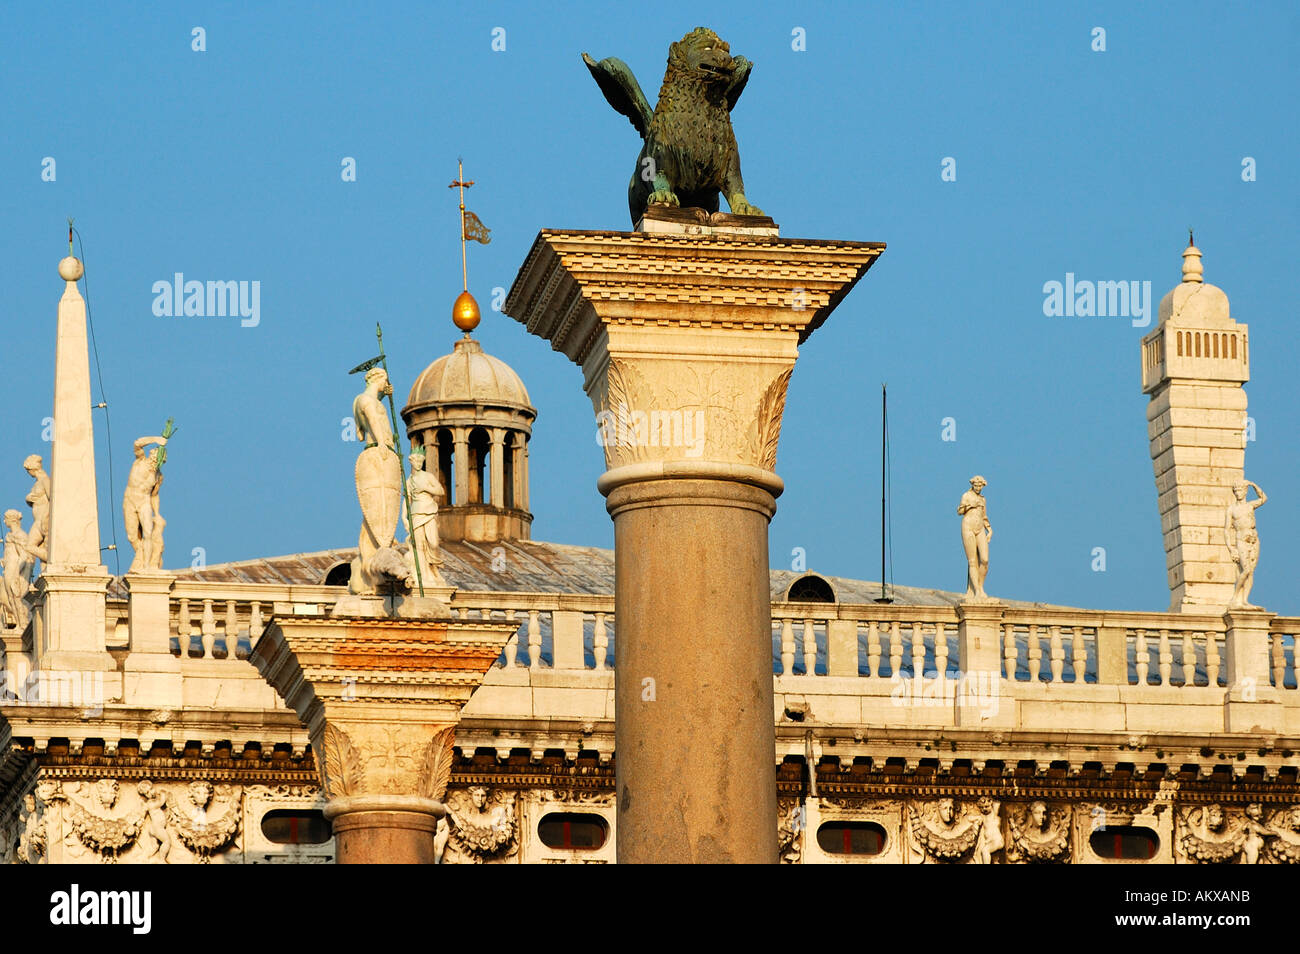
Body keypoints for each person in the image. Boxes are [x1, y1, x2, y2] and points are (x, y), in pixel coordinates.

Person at [123, 436, 168, 571]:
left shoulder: (158, 476)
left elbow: (154, 495)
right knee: (132, 536)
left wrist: (157, 513)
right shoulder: (140, 460)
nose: (157, 460)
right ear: (152, 455)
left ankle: (147, 566)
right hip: (130, 500)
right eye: (156, 457)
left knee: (148, 533)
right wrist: (156, 439)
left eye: (160, 460)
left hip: (144, 502)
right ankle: (141, 556)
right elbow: (137, 444)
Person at [1225, 479, 1266, 608]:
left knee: (1251, 571)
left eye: (1240, 491)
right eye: (1236, 491)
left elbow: (1264, 498)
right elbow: (1226, 530)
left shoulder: (1250, 505)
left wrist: (1253, 484)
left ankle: (1245, 600)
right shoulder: (1231, 510)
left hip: (1253, 539)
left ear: (1245, 492)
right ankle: (1236, 598)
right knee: (1246, 569)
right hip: (1241, 539)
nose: (1238, 493)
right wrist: (1231, 549)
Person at [958, 476, 992, 600]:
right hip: (968, 526)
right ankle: (977, 590)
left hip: (980, 527)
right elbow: (960, 511)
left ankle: (980, 586)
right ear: (972, 485)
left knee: (984, 560)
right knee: (972, 561)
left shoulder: (983, 499)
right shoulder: (966, 495)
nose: (978, 488)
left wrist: (989, 528)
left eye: (980, 486)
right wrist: (970, 505)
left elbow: (984, 516)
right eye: (976, 486)